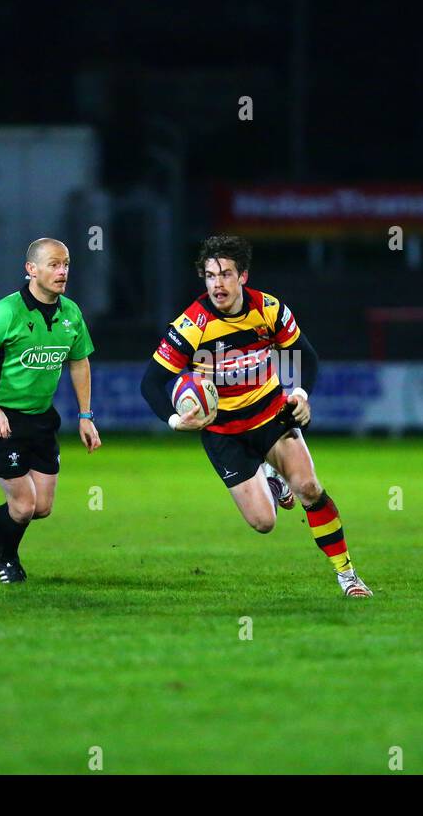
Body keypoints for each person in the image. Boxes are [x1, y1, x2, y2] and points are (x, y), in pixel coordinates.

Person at [139, 235, 372, 598]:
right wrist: (173, 420)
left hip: (271, 416)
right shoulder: (192, 325)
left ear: (242, 276)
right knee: (264, 523)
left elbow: (305, 356)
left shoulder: (268, 309)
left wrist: (301, 394)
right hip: (224, 433)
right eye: (211, 275)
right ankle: (269, 477)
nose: (218, 283)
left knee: (310, 488)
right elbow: (151, 383)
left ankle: (348, 576)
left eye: (226, 274)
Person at [0, 238, 100, 583]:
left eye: (66, 264)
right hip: (1, 419)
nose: (62, 271)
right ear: (31, 270)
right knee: (23, 506)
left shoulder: (71, 313)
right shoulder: (5, 312)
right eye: (53, 264)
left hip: (41, 419)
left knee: (42, 508)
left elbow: (79, 362)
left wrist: (85, 416)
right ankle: (6, 559)